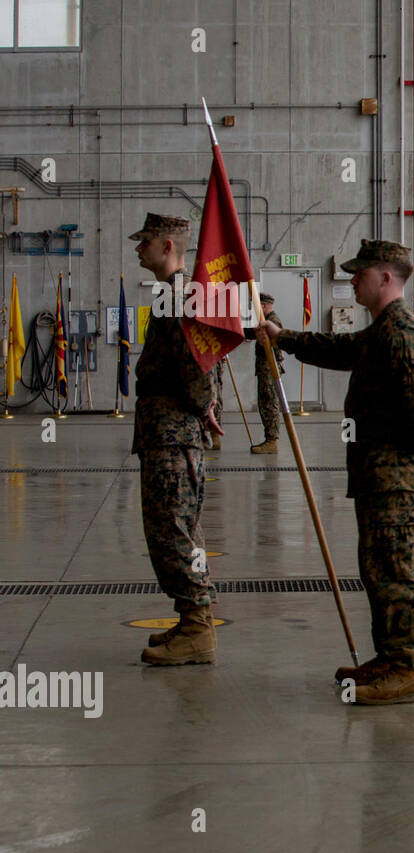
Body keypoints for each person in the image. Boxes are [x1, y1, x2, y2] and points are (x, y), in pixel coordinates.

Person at [259, 239, 414, 705]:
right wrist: (284, 338)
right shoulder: (380, 331)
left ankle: (404, 669)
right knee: (377, 570)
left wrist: (402, 456)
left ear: (386, 277)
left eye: (360, 273)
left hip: (394, 478)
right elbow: (342, 349)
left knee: (396, 572)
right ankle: (387, 657)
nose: (352, 279)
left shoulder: (401, 332)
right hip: (379, 476)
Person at [129, 212, 223, 665]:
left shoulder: (182, 296)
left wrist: (203, 404)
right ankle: (190, 621)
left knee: (174, 533)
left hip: (172, 438)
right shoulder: (170, 295)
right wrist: (206, 404)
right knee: (178, 530)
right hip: (166, 434)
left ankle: (198, 627)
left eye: (144, 240)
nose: (137, 248)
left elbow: (197, 365)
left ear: (168, 246)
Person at [251, 291, 284, 453]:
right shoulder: (267, 320)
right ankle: (270, 439)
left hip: (269, 368)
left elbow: (273, 345)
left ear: (263, 306)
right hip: (266, 368)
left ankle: (272, 441)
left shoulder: (273, 321)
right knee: (266, 402)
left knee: (269, 402)